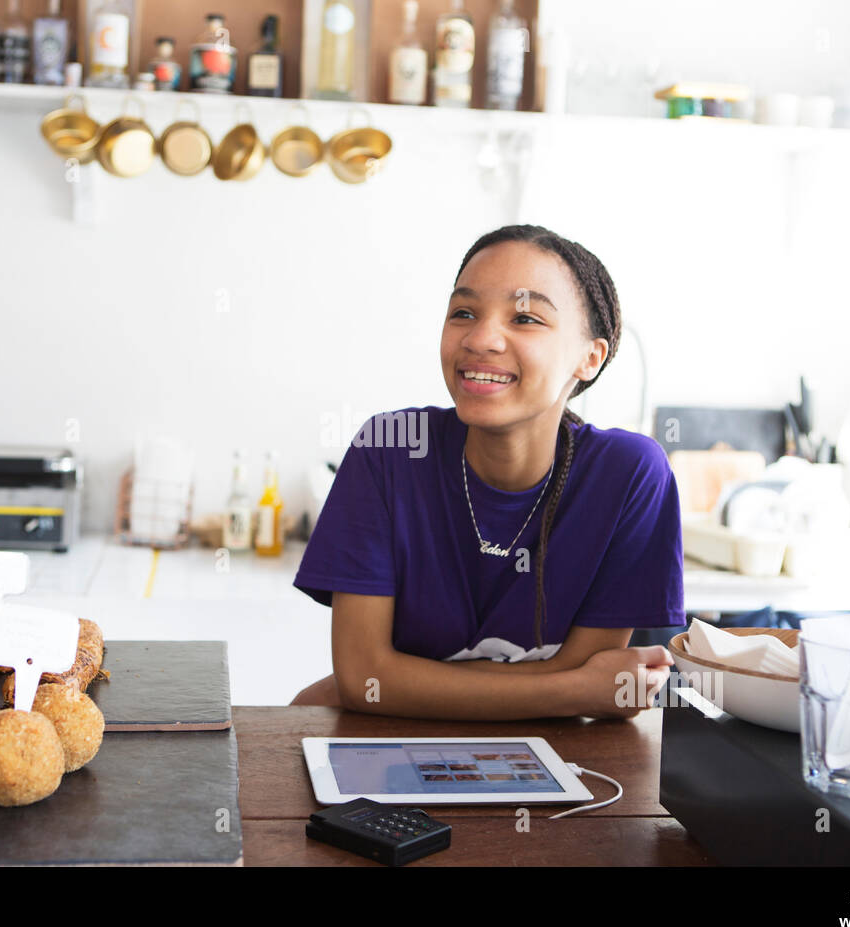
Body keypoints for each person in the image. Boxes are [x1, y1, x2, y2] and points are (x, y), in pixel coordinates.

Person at [291, 224, 683, 720]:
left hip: (557, 758)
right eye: (463, 313)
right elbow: (364, 678)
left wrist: (398, 681)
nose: (480, 338)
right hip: (376, 748)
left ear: (590, 357)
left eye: (524, 317)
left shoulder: (629, 476)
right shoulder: (389, 451)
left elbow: (367, 682)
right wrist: (572, 689)